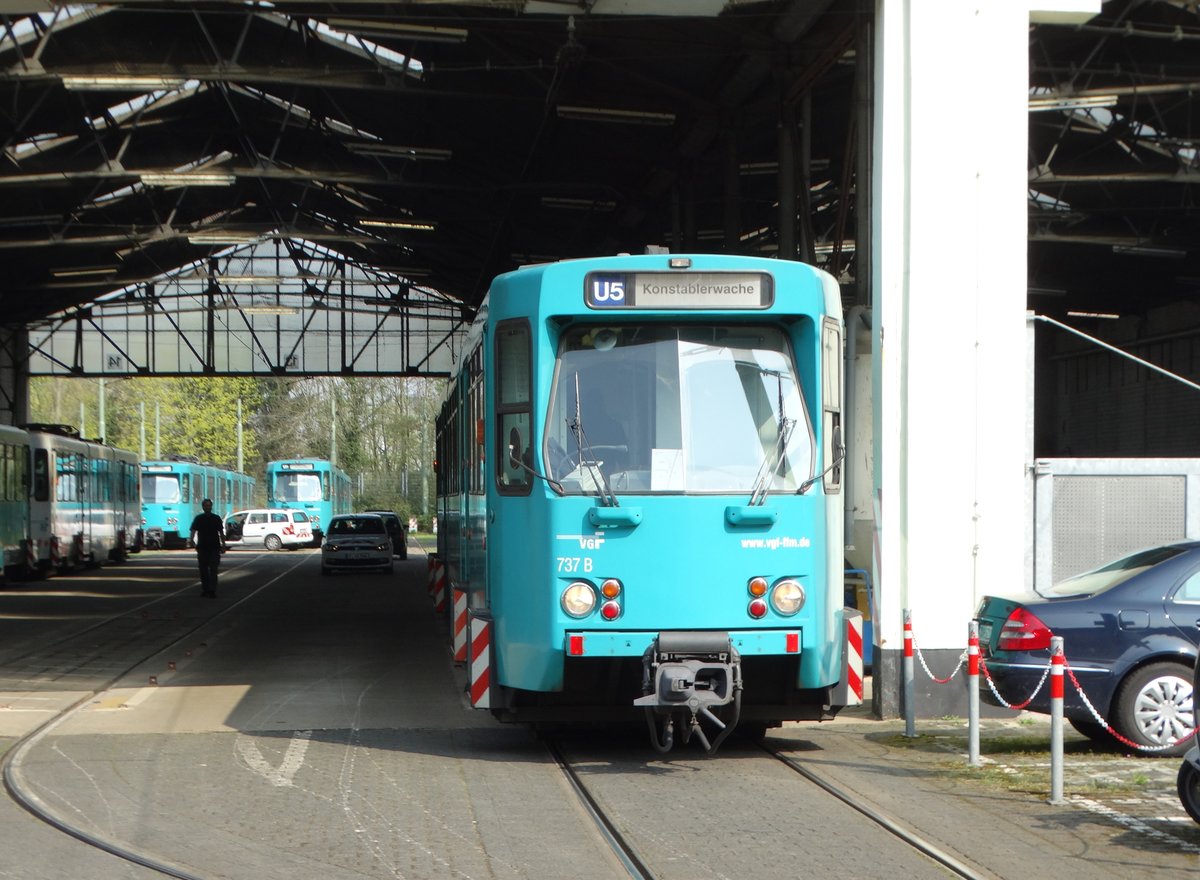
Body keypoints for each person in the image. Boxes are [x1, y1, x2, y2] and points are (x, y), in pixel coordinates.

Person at [189, 498, 227, 598]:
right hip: (202, 547)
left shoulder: (216, 518)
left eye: (209, 505)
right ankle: (205, 589)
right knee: (203, 570)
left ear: (211, 506)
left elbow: (221, 532)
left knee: (213, 570)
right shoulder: (199, 518)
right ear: (203, 507)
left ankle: (212, 590)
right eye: (206, 505)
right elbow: (193, 530)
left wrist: (223, 544)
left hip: (214, 547)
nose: (207, 507)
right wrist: (191, 540)